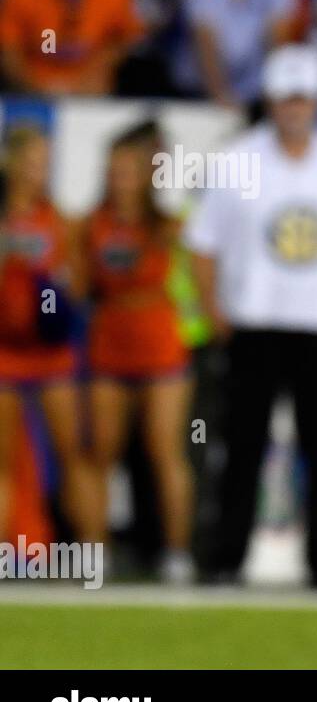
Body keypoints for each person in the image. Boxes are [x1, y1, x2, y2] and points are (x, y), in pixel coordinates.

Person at [185, 45, 317, 588]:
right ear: (271, 103)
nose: (295, 108)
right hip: (254, 325)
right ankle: (225, 558)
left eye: (303, 98)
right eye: (285, 98)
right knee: (242, 447)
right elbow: (202, 246)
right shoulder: (237, 160)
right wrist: (213, 311)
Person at [77, 123, 195, 582]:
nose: (119, 179)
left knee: (165, 451)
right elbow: (82, 285)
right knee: (99, 453)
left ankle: (177, 554)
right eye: (114, 171)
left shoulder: (167, 225)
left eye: (128, 171)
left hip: (159, 342)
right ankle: (96, 552)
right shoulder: (92, 225)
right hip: (111, 340)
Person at [0, 127, 95, 543]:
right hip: (4, 350)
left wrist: (51, 290)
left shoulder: (58, 219)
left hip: (51, 352)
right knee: (3, 464)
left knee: (73, 455)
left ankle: (95, 554)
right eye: (32, 162)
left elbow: (79, 284)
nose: (39, 172)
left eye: (45, 163)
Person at [0, 0, 143, 96]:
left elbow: (125, 38)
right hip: (33, 89)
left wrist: (99, 70)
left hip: (90, 90)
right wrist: (31, 88)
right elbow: (8, 48)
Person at [173, 0, 297, 107]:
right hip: (197, 88)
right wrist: (219, 94)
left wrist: (273, 93)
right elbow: (204, 38)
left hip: (253, 92)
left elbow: (277, 38)